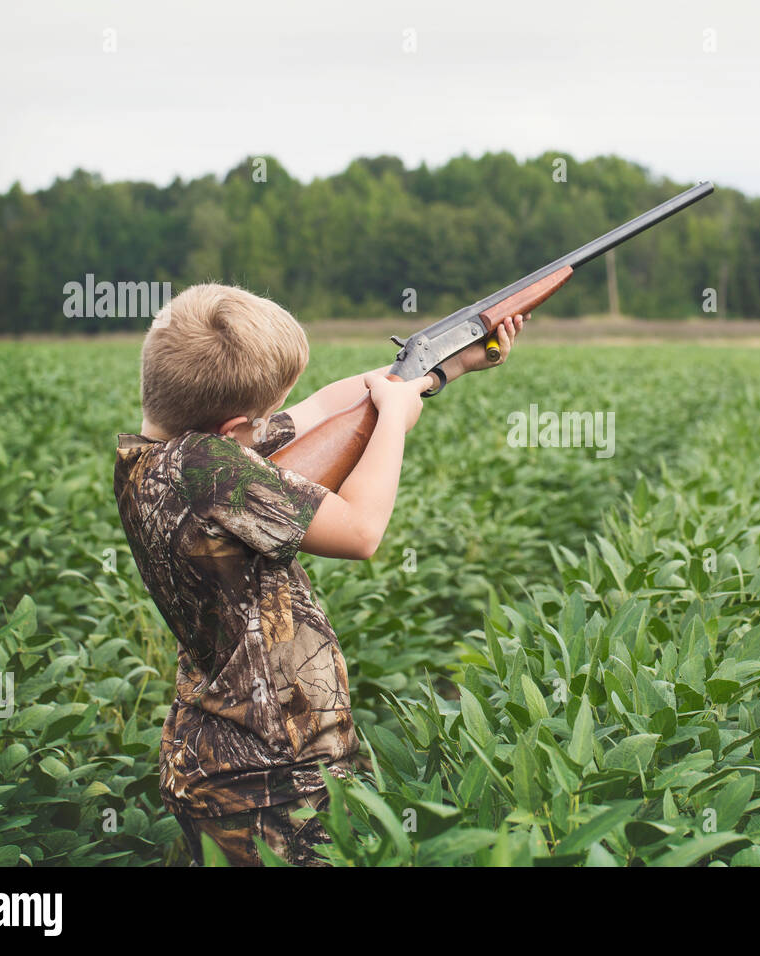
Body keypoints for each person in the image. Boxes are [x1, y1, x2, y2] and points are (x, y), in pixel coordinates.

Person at [113, 283, 526, 865]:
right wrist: (394, 421)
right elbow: (361, 531)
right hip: (270, 775)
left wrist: (435, 369)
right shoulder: (214, 473)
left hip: (216, 754)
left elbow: (319, 411)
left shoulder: (163, 459)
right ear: (231, 434)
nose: (278, 416)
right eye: (260, 420)